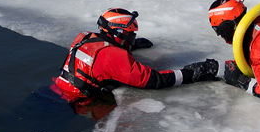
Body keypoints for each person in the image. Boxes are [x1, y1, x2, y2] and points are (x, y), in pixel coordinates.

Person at [51, 8, 219, 119]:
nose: (132, 38)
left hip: (55, 90)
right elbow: (151, 80)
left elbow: (101, 52)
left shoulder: (85, 37)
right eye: (130, 35)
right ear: (119, 33)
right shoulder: (112, 56)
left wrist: (133, 45)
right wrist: (190, 74)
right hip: (75, 103)